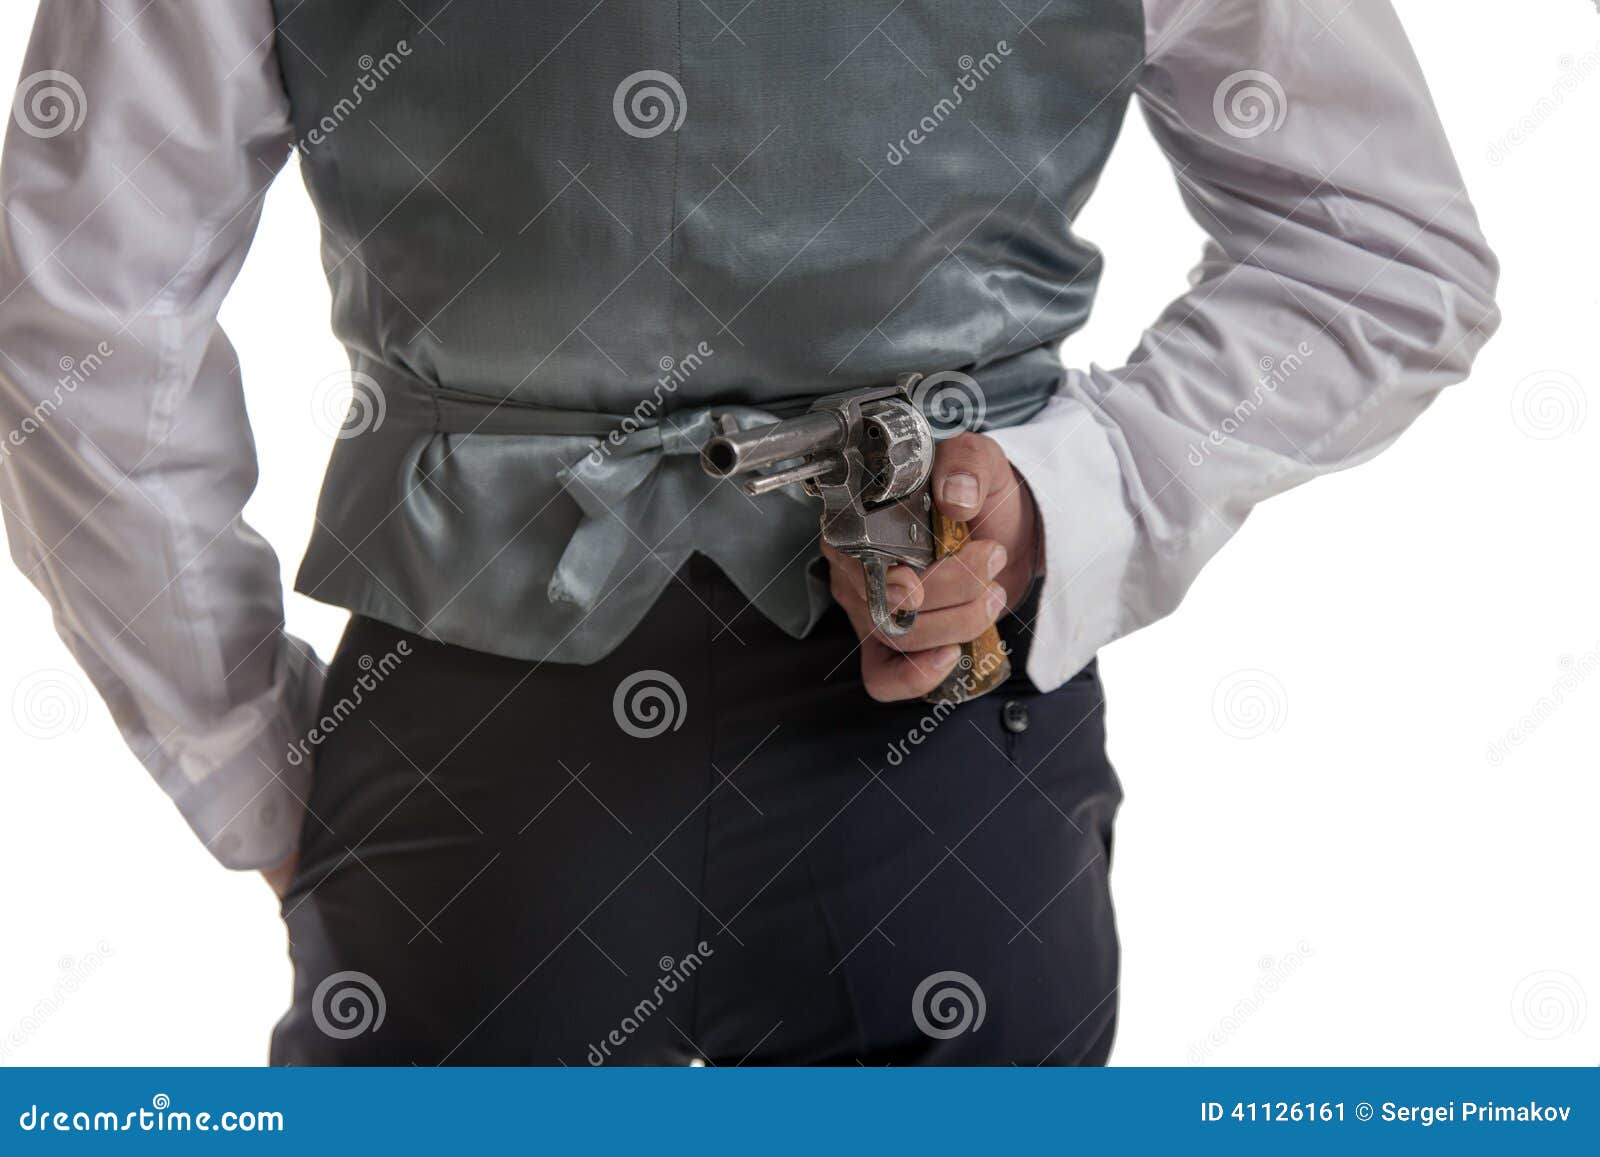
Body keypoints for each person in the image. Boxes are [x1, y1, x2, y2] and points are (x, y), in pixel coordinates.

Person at [0, 0, 1497, 1065]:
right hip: (953, 776)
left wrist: (253, 769)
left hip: (472, 773)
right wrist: (1065, 497)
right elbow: (1384, 247)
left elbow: (71, 331)